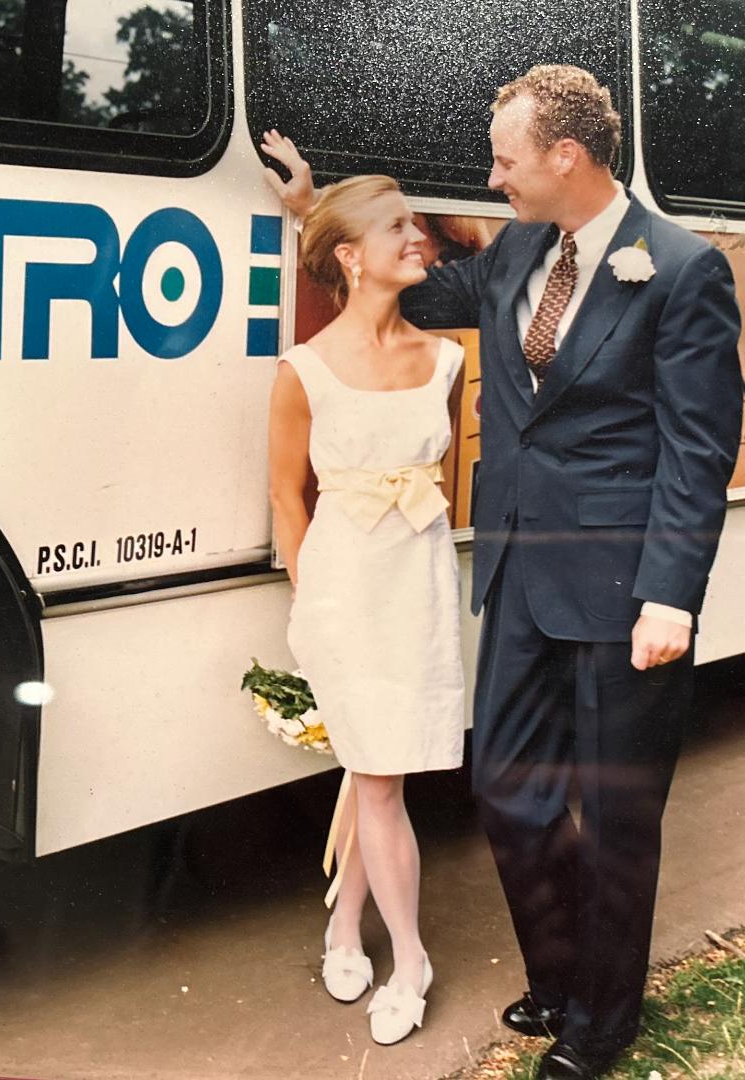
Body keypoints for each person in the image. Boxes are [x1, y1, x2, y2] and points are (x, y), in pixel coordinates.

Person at [262, 64, 743, 1080]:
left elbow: (700, 450)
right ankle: (568, 973)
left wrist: (671, 593)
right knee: (507, 786)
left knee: (615, 814)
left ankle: (600, 1022)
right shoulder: (522, 248)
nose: (493, 180)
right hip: (522, 573)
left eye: (505, 159)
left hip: (623, 589)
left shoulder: (685, 271)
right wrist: (315, 213)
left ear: (566, 156)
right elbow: (399, 285)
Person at [264, 174, 467, 1047]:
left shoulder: (448, 360)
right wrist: (314, 603)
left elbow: (444, 483)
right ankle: (411, 958)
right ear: (350, 257)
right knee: (377, 772)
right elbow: (285, 499)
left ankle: (347, 928)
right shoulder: (302, 370)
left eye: (416, 224)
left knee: (377, 769)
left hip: (417, 581)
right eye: (396, 227)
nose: (416, 237)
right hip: (343, 587)